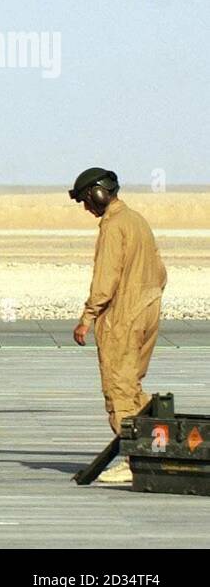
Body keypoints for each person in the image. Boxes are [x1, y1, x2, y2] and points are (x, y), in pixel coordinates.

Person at [69, 168, 167, 485]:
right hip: (149, 309)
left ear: (98, 193)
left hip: (123, 316)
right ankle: (155, 447)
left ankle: (131, 459)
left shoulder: (114, 226)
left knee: (119, 389)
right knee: (133, 385)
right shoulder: (138, 220)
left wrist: (88, 318)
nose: (86, 208)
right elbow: (161, 271)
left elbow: (105, 280)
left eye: (86, 200)